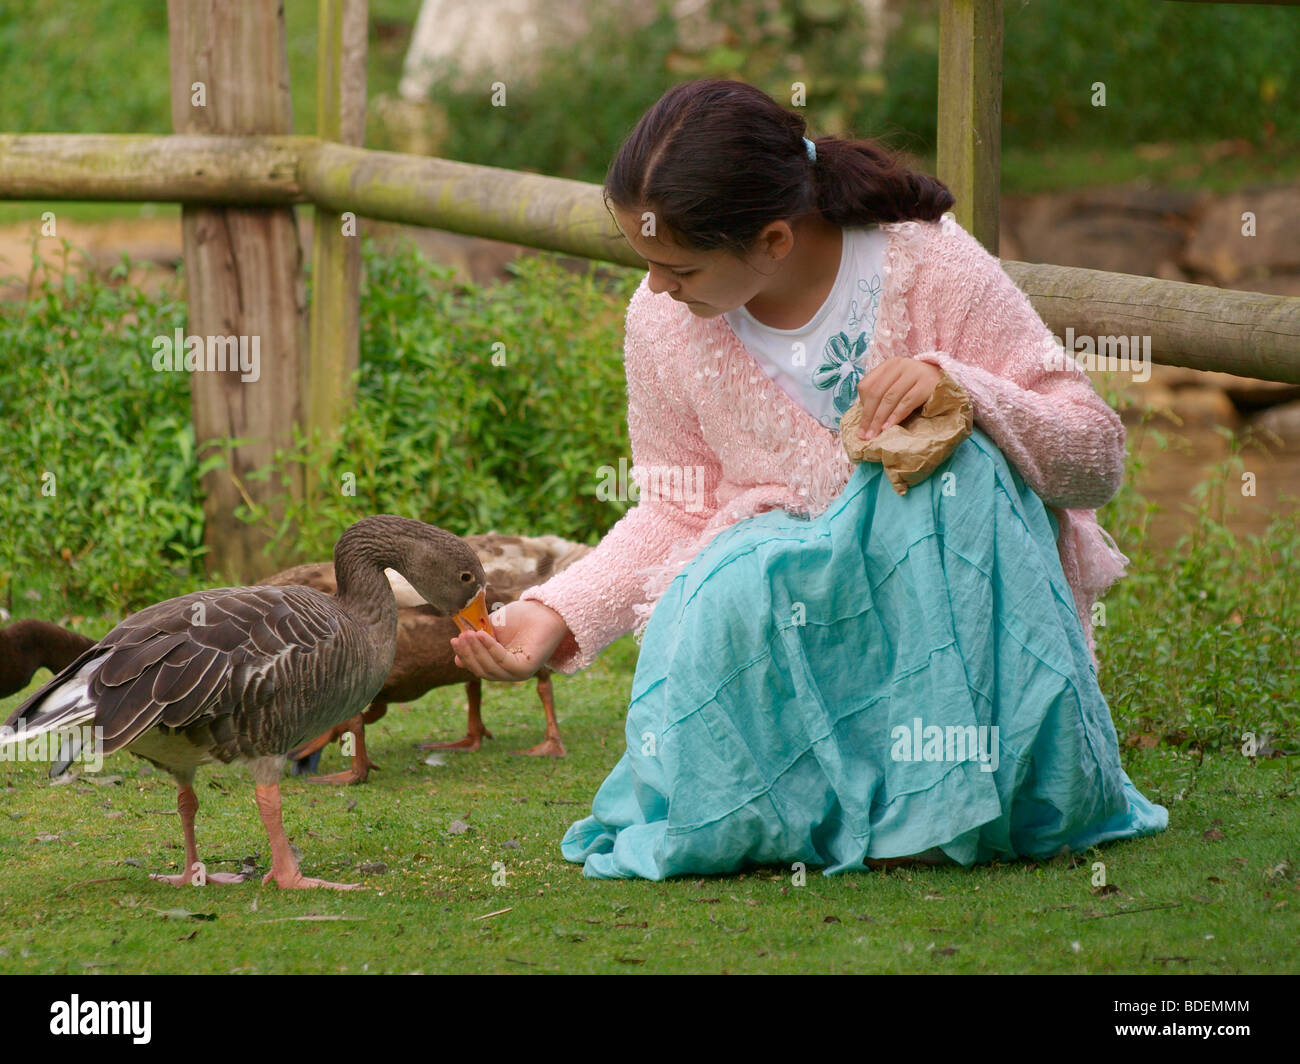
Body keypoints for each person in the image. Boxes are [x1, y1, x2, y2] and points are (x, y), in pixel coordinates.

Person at [450, 78, 1168, 880]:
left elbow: (1095, 452)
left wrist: (962, 388)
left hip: (942, 590)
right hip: (804, 595)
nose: (655, 286)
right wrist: (554, 613)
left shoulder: (926, 262)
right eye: (645, 261)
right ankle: (805, 803)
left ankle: (958, 790)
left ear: (773, 240)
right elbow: (676, 508)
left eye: (677, 267)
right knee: (726, 576)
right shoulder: (660, 323)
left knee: (951, 468)